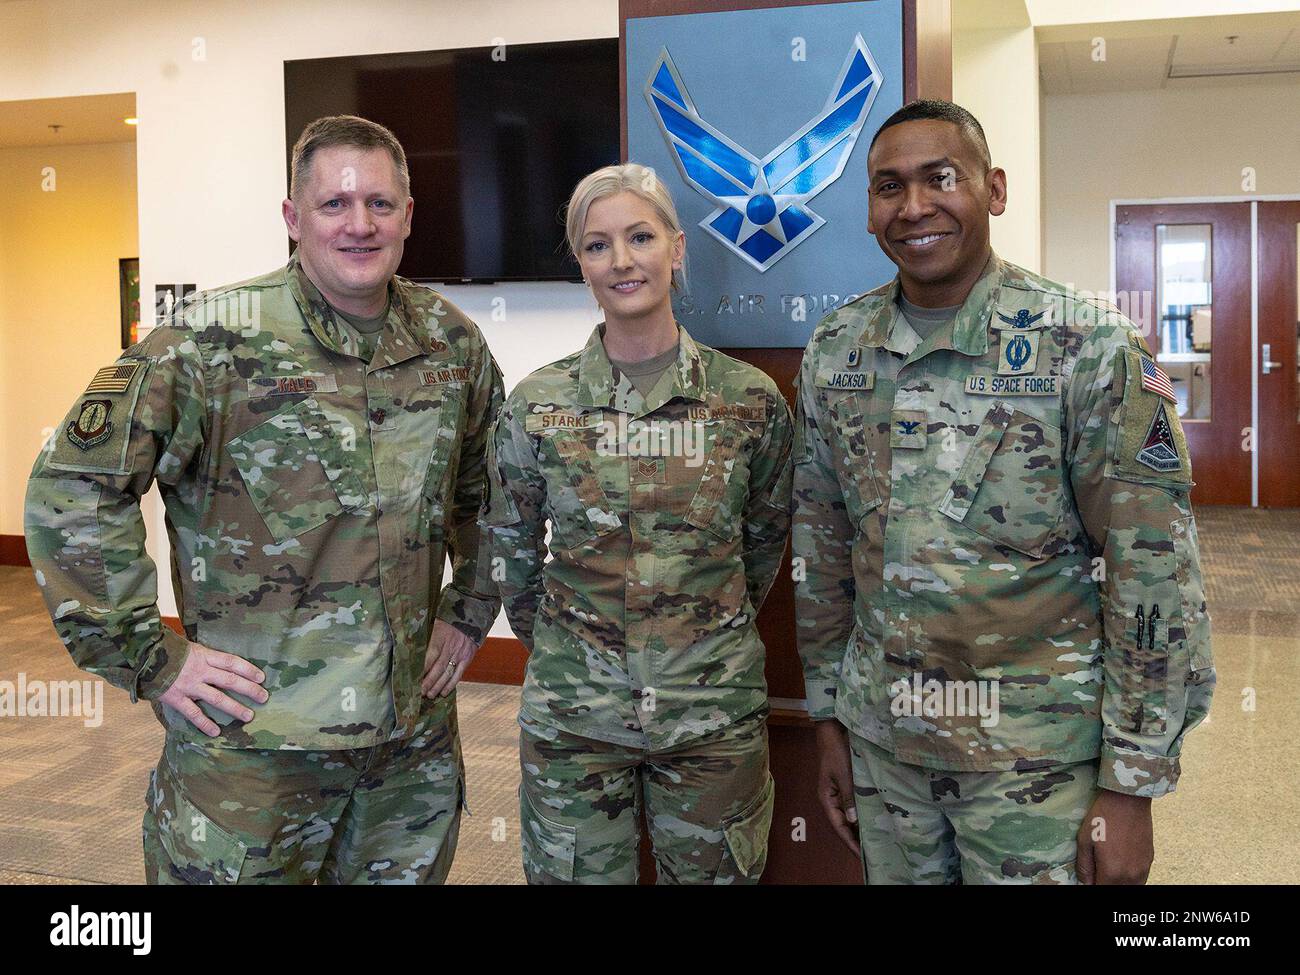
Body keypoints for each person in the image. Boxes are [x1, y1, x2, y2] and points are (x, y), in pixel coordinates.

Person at [24, 115, 504, 884]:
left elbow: (489, 489)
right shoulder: (211, 339)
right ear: (292, 218)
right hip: (253, 755)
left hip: (406, 753)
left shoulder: (451, 344)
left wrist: (471, 606)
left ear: (409, 217)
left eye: (380, 204)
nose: (359, 224)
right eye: (334, 205)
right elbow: (73, 489)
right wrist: (153, 658)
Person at [793, 99, 1214, 885]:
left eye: (939, 178)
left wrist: (1132, 785)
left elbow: (1153, 574)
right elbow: (820, 552)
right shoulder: (836, 350)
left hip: (1035, 762)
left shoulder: (1087, 348)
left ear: (994, 189)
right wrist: (830, 720)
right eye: (888, 187)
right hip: (887, 753)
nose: (914, 207)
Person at [483, 163, 793, 884]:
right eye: (597, 245)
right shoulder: (539, 405)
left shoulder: (749, 402)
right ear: (582, 266)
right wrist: (576, 657)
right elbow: (513, 556)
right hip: (575, 721)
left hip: (711, 715)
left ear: (676, 249)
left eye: (640, 236)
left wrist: (697, 642)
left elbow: (764, 545)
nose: (621, 261)